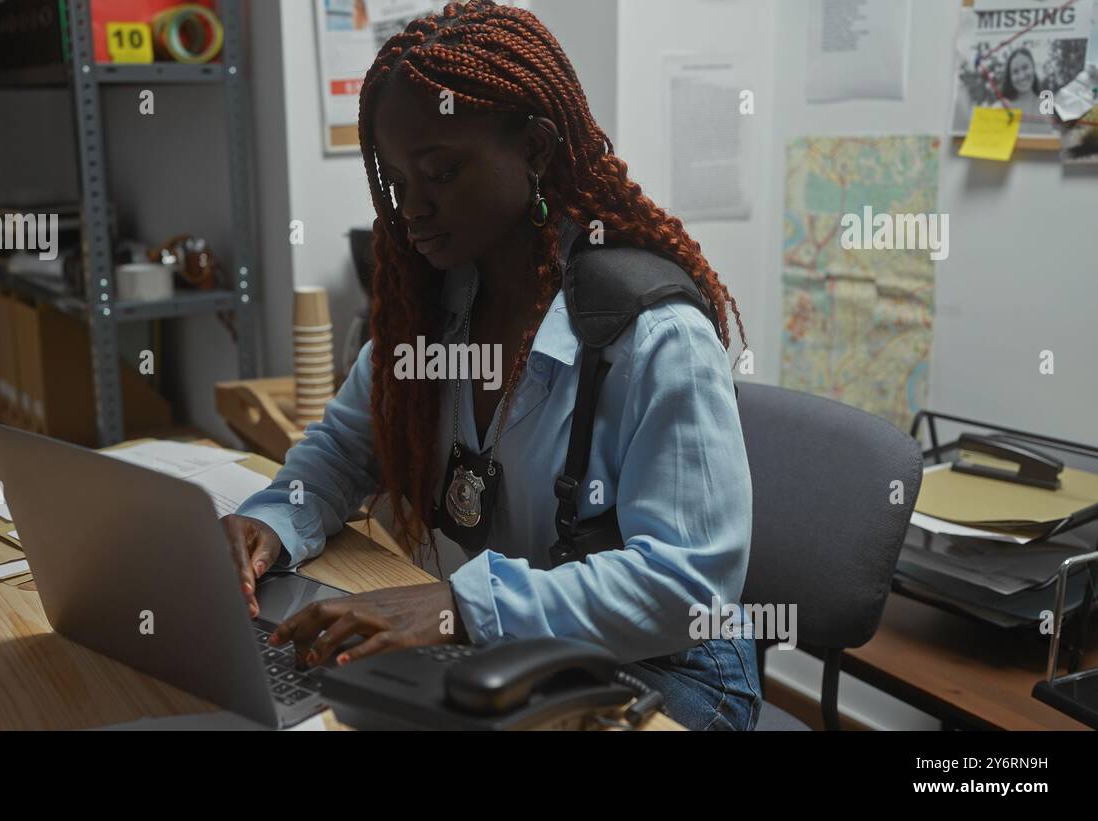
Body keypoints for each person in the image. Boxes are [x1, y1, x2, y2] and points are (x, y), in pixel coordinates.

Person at [228, 0, 760, 730]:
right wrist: (271, 526)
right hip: (504, 643)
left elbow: (689, 588)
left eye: (439, 172)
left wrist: (462, 606)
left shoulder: (656, 335)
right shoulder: (436, 306)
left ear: (537, 149)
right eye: (395, 180)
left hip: (669, 674)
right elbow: (344, 451)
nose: (410, 207)